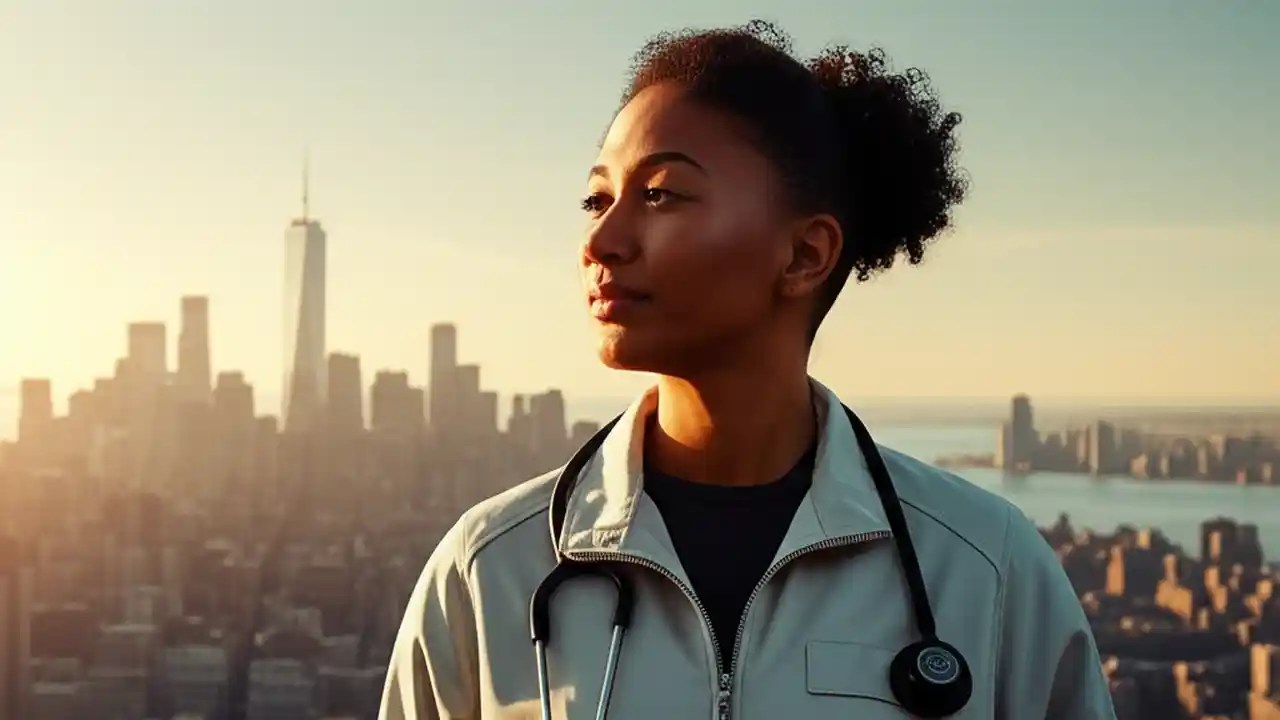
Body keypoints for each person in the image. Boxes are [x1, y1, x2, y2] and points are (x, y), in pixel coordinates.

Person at [379, 20, 1116, 720]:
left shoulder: (984, 568)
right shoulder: (490, 570)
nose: (601, 239)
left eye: (660, 193)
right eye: (597, 198)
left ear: (804, 256)